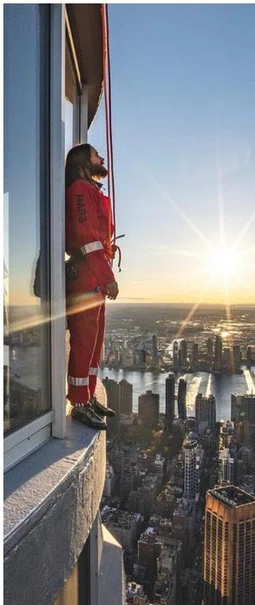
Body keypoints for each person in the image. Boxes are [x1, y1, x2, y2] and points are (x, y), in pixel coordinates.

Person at [64, 143, 119, 429]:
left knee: (95, 341)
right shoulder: (79, 191)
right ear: (85, 161)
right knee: (84, 340)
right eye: (97, 154)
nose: (101, 158)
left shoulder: (90, 190)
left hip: (93, 275)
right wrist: (106, 275)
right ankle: (79, 402)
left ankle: (88, 395)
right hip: (87, 273)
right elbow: (87, 237)